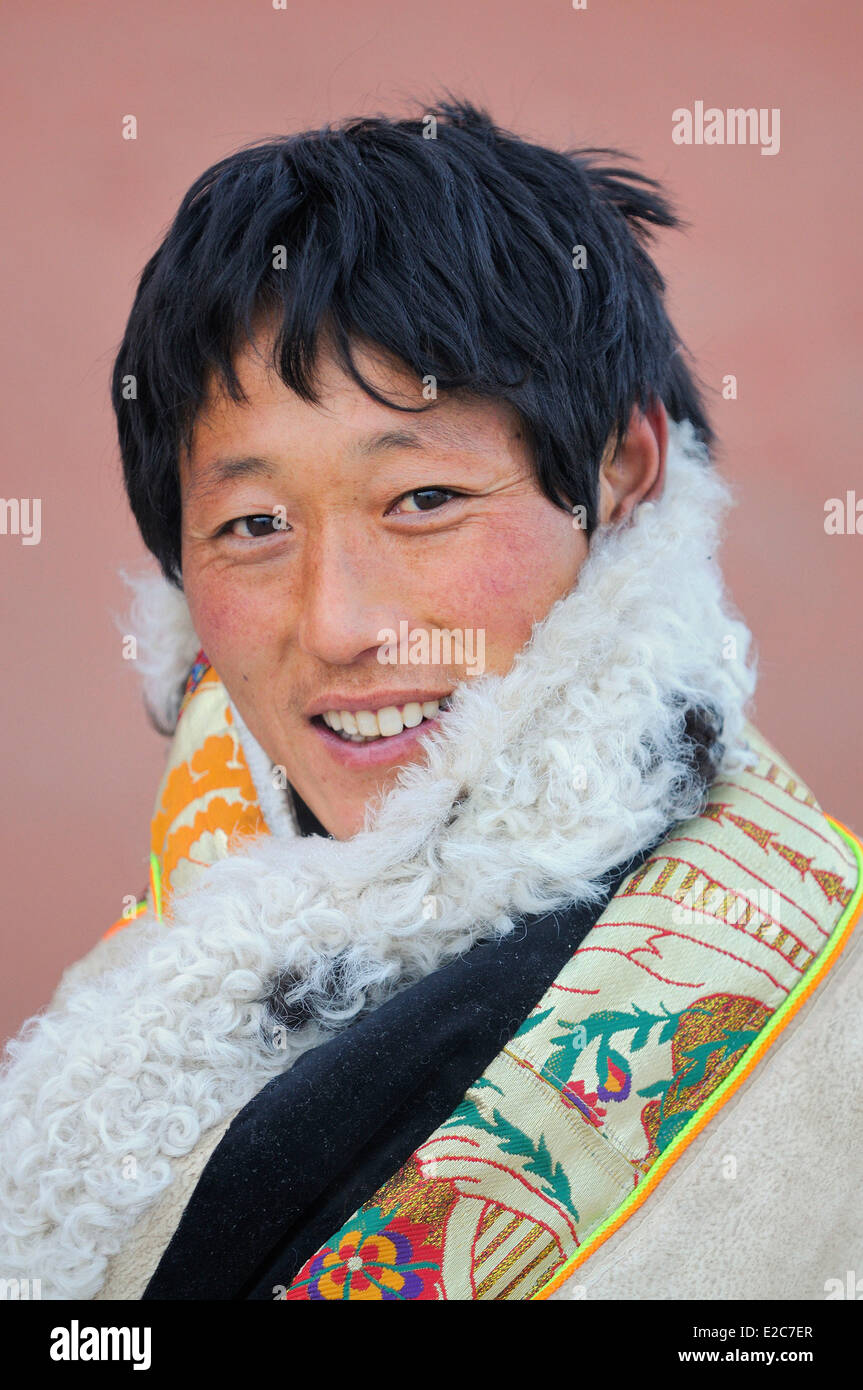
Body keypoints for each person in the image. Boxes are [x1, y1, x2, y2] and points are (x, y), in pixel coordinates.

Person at [1, 97, 860, 1303]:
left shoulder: (826, 1002)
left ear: (618, 470)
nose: (338, 624)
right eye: (253, 525)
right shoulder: (169, 939)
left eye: (420, 501)